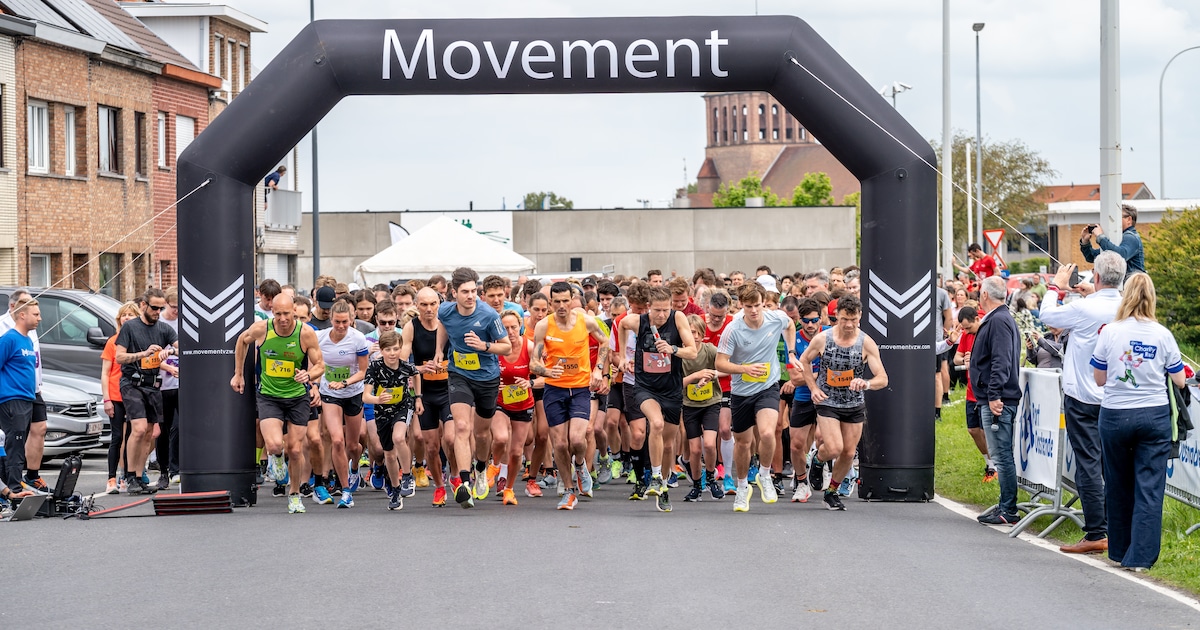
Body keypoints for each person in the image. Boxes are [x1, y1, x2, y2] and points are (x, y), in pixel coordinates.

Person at [1090, 273, 1184, 570]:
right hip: (1153, 415)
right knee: (1149, 486)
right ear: (1152, 297)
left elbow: (1099, 378)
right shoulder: (1162, 334)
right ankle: (1140, 557)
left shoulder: (1110, 332)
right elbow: (1180, 380)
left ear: (1125, 295)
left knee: (1117, 483)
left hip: (1115, 414)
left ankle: (1119, 550)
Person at [1039, 251, 1126, 553]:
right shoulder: (1126, 306)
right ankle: (1115, 529)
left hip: (1083, 395)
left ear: (1097, 277)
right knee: (1112, 464)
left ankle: (1096, 533)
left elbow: (1047, 316)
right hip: (1116, 397)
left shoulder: (1084, 308)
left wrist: (1056, 286)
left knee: (1088, 465)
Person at [231, 293, 325, 513]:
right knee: (274, 445)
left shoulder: (305, 333)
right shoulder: (262, 329)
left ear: (294, 311)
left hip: (297, 397)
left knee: (296, 449)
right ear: (272, 312)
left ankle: (294, 494)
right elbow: (242, 341)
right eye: (278, 314)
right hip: (269, 396)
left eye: (287, 314)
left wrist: (309, 375)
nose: (283, 318)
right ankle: (277, 458)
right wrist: (238, 373)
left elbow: (320, 365)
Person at [795, 294, 887, 511]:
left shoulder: (866, 343)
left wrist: (865, 383)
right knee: (835, 448)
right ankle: (819, 459)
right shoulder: (823, 339)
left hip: (853, 403)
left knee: (848, 452)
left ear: (860, 316)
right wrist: (813, 388)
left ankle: (831, 492)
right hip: (827, 401)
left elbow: (883, 378)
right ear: (836, 316)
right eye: (844, 319)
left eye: (853, 320)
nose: (849, 324)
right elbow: (804, 360)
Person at [715, 283, 798, 512]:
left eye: (758, 305)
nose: (753, 310)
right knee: (743, 443)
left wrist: (791, 352)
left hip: (768, 386)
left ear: (764, 303)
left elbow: (790, 325)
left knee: (768, 432)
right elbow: (720, 363)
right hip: (741, 391)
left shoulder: (775, 318)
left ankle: (764, 474)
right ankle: (742, 487)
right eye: (748, 306)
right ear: (741, 305)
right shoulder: (733, 329)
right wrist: (745, 369)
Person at [616, 285, 698, 513]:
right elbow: (621, 325)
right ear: (648, 307)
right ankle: (653, 476)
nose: (661, 315)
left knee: (668, 444)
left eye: (665, 310)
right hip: (645, 387)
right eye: (657, 310)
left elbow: (692, 352)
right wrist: (622, 357)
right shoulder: (638, 321)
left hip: (671, 389)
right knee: (656, 424)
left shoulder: (678, 318)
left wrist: (673, 349)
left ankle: (662, 485)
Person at [531, 282, 610, 510]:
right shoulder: (544, 326)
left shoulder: (586, 321)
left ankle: (581, 465)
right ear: (550, 303)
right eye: (557, 302)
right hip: (554, 389)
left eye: (566, 301)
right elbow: (534, 362)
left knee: (577, 439)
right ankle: (568, 491)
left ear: (572, 299)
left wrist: (599, 369)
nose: (562, 306)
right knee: (560, 443)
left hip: (580, 388)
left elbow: (605, 342)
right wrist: (547, 371)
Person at [440, 267, 511, 508]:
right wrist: (439, 350)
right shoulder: (445, 310)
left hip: (486, 378)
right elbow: (443, 325)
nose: (470, 296)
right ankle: (464, 483)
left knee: (481, 433)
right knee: (461, 427)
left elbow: (506, 347)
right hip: (458, 374)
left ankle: (481, 467)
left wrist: (484, 346)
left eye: (473, 291)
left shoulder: (489, 315)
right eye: (465, 292)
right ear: (454, 293)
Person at [114, 289, 178, 495]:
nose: (158, 312)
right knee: (139, 429)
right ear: (143, 305)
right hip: (132, 383)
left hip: (153, 385)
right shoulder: (130, 327)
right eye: (154, 308)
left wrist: (170, 351)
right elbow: (119, 357)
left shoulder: (164, 329)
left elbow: (183, 347)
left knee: (150, 432)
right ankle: (129, 475)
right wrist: (143, 354)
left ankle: (140, 476)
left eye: (161, 308)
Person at [969, 277, 1022, 525]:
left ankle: (1008, 509)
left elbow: (1002, 360)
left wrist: (994, 395)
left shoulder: (999, 320)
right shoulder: (1000, 318)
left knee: (1001, 456)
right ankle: (1005, 504)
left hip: (999, 399)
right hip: (996, 395)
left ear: (985, 295)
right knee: (1001, 454)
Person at [316, 300, 370, 508]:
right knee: (337, 440)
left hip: (353, 392)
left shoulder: (357, 339)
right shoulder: (320, 338)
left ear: (351, 320)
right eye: (337, 322)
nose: (341, 326)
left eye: (345, 322)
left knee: (353, 446)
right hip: (330, 393)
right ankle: (346, 490)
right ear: (331, 319)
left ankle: (355, 466)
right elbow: (314, 364)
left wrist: (345, 382)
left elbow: (363, 371)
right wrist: (315, 384)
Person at [401, 287, 451, 507]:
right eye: (424, 305)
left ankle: (457, 475)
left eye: (433, 304)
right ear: (416, 305)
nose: (429, 309)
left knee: (451, 439)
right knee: (431, 446)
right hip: (426, 393)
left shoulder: (447, 325)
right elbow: (402, 362)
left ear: (439, 304)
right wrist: (420, 369)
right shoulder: (411, 328)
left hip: (450, 390)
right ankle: (439, 487)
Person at [362, 330, 421, 511]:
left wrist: (418, 397)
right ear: (381, 350)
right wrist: (378, 399)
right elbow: (365, 396)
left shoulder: (405, 366)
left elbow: (416, 374)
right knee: (388, 453)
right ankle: (395, 489)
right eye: (388, 349)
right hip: (382, 411)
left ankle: (407, 476)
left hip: (403, 407)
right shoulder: (375, 367)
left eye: (396, 349)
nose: (392, 353)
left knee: (399, 438)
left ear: (401, 349)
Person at [0, 289, 48, 492]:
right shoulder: (9, 339)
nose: (39, 318)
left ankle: (16, 484)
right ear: (22, 315)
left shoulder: (28, 339)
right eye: (35, 314)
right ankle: (14, 489)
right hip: (12, 400)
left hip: (27, 398)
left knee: (20, 443)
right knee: (15, 445)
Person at [680, 314, 723, 502]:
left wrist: (711, 374)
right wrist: (695, 377)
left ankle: (711, 478)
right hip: (689, 405)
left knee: (710, 444)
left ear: (703, 334)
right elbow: (675, 383)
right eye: (690, 333)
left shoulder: (710, 350)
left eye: (697, 333)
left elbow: (725, 367)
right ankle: (697, 485)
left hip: (711, 402)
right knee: (695, 450)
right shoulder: (679, 355)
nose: (694, 336)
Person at [496, 310, 535, 505]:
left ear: (520, 326)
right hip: (500, 401)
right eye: (505, 328)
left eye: (513, 327)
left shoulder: (530, 346)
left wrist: (530, 383)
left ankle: (509, 489)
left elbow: (545, 376)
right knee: (501, 438)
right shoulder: (495, 347)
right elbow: (481, 374)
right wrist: (493, 384)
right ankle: (494, 465)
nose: (510, 332)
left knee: (517, 452)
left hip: (523, 402)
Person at [102, 302, 141, 494]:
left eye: (131, 314)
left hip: (133, 394)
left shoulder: (139, 341)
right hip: (116, 395)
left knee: (130, 437)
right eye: (124, 315)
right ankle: (111, 478)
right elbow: (105, 373)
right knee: (117, 437)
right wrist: (106, 399)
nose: (127, 317)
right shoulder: (113, 341)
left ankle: (126, 475)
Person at [155, 287, 182, 490]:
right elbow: (152, 355)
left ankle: (177, 469)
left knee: (180, 427)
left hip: (182, 384)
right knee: (163, 430)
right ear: (166, 304)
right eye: (173, 307)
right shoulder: (159, 324)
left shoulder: (183, 323)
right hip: (163, 384)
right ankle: (163, 471)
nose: (176, 311)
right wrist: (168, 367)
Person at [1081, 203, 1145, 277]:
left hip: (1133, 284)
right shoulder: (1119, 238)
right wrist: (1085, 241)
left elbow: (1120, 256)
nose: (1113, 221)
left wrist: (1100, 237)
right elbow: (1092, 257)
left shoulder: (1131, 237)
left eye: (1117, 217)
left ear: (1129, 220)